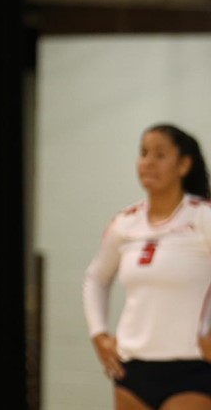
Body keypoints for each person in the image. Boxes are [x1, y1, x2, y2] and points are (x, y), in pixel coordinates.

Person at [82, 123, 211, 410]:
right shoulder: (125, 222)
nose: (148, 162)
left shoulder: (203, 217)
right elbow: (96, 278)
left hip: (192, 368)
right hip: (133, 369)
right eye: (143, 153)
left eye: (160, 155)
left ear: (183, 165)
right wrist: (99, 334)